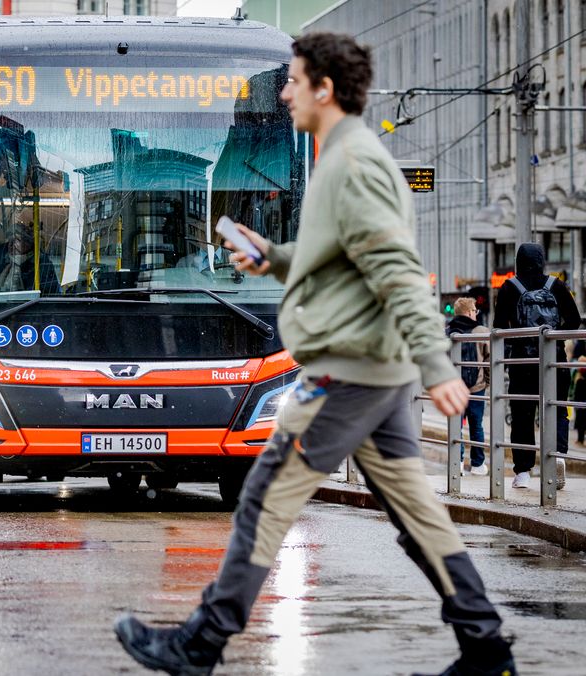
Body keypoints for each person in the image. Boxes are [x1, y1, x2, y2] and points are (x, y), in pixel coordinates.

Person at [113, 33, 514, 676]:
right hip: (373, 374)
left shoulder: (354, 165)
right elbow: (343, 258)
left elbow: (399, 271)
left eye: (295, 80)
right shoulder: (344, 159)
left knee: (264, 498)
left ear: (324, 89)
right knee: (417, 512)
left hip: (347, 374)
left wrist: (440, 367)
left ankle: (200, 644)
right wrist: (270, 255)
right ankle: (486, 649)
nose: (284, 90)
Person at [492, 243, 581, 490]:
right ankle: (558, 456)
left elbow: (499, 326)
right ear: (543, 260)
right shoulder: (557, 285)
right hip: (554, 361)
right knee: (557, 409)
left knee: (522, 415)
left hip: (523, 363)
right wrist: (552, 336)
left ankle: (522, 472)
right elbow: (574, 320)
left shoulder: (510, 287)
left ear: (518, 260)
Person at [447, 297, 490, 476]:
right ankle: (478, 465)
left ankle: (456, 464)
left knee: (456, 425)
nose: (475, 314)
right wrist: (486, 381)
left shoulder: (448, 332)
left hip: (454, 387)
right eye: (474, 311)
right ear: (469, 312)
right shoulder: (481, 331)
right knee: (476, 425)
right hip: (476, 387)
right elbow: (489, 359)